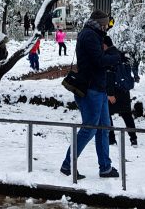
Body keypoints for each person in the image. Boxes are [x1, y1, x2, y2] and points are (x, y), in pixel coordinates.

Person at [60, 10, 121, 179]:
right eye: (106, 24)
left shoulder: (94, 35)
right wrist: (114, 55)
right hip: (91, 89)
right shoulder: (90, 36)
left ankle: (105, 167)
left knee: (103, 128)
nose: (107, 27)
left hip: (98, 89)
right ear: (100, 23)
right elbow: (99, 61)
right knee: (90, 128)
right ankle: (68, 164)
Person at [103, 36, 138, 147]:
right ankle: (134, 139)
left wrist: (110, 94)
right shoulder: (121, 55)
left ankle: (112, 139)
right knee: (127, 115)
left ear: (104, 45)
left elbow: (109, 76)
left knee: (107, 115)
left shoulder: (108, 57)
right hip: (124, 90)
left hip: (114, 91)